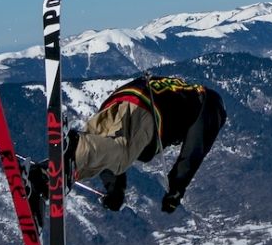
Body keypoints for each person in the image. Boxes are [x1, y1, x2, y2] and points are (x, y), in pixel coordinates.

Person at [29, 74, 226, 220]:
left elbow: (110, 153)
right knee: (118, 156)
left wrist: (115, 190)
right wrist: (176, 189)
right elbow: (194, 151)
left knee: (94, 158)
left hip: (120, 101)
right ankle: (73, 145)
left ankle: (42, 178)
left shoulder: (183, 90)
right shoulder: (210, 104)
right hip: (146, 108)